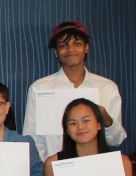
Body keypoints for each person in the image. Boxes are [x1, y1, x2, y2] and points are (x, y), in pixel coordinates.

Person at [23, 21, 126, 161]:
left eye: (77, 44)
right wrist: (45, 169)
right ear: (56, 51)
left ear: (86, 47)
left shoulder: (107, 88)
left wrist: (106, 119)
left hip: (96, 167)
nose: (70, 49)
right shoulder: (40, 88)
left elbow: (115, 141)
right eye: (63, 45)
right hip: (54, 167)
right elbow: (32, 139)